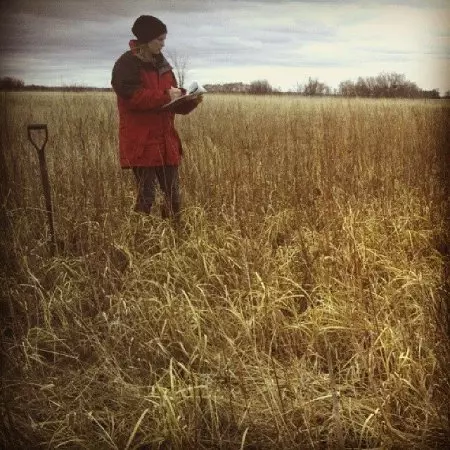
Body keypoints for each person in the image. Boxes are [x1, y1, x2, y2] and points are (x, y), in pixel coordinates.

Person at [111, 15, 201, 222]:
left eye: (164, 39)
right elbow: (134, 98)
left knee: (173, 196)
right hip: (141, 141)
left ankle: (175, 238)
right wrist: (167, 96)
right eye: (159, 39)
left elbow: (171, 100)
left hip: (165, 140)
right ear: (146, 39)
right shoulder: (126, 64)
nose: (163, 44)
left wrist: (189, 99)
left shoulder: (164, 65)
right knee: (147, 196)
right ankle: (139, 239)